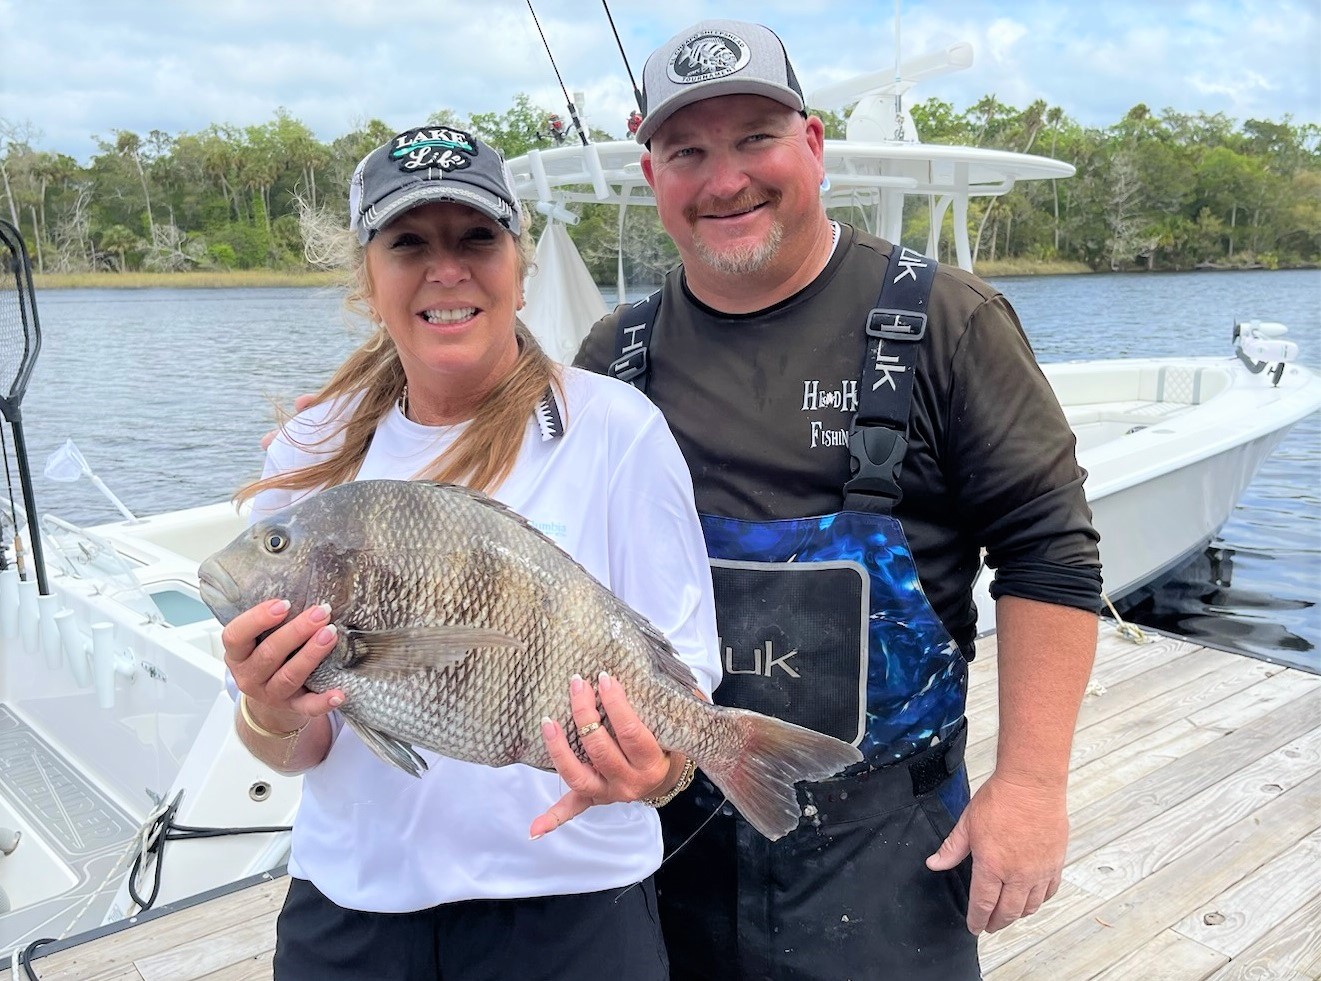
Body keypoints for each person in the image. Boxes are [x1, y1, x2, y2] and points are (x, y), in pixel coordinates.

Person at [566, 18, 1103, 981]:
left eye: (755, 138)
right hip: (668, 829)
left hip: (885, 840)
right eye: (687, 152)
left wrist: (1030, 784)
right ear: (651, 175)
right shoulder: (615, 357)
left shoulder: (948, 323)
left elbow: (1048, 551)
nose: (724, 179)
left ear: (811, 144)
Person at [221, 124, 720, 981]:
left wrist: (656, 770)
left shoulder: (616, 430)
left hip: (574, 906)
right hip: (354, 907)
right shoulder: (311, 447)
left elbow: (679, 694)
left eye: (477, 239)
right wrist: (268, 707)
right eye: (408, 243)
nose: (445, 270)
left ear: (520, 269)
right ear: (367, 279)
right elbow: (298, 746)